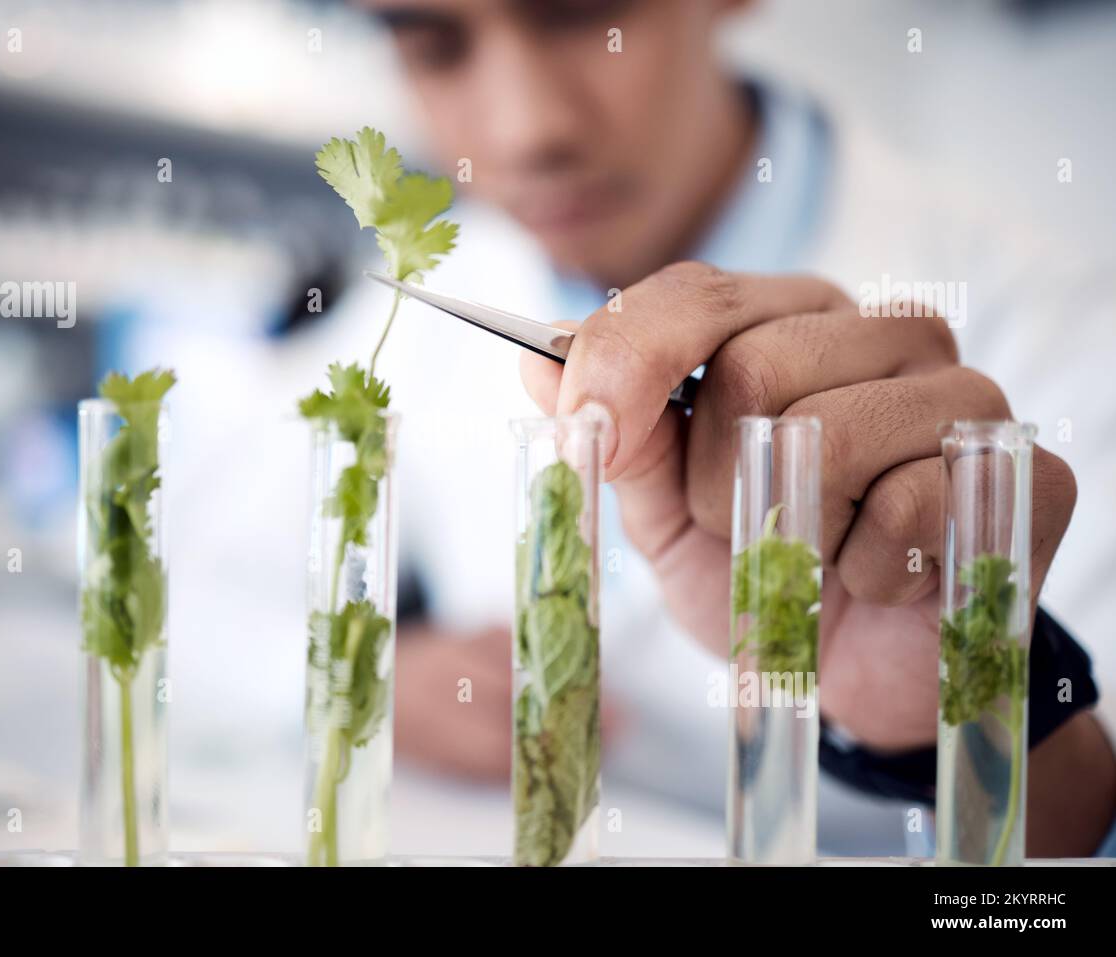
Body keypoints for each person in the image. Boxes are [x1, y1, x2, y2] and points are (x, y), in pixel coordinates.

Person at [324, 0, 1116, 855]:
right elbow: (217, 554)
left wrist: (974, 719)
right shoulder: (436, 288)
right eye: (434, 45)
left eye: (582, 16)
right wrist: (382, 670)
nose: (527, 130)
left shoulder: (1063, 329)